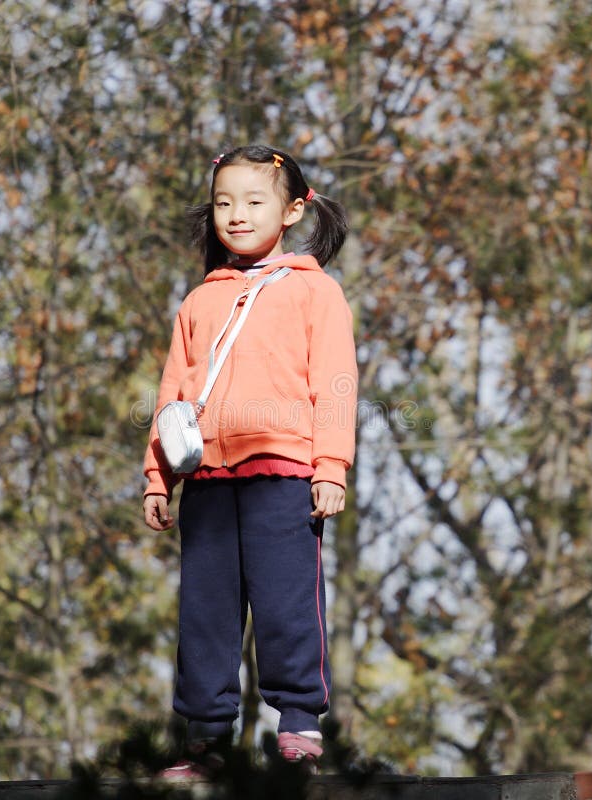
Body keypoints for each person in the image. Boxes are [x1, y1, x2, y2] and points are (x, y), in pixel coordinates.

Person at [142, 145, 357, 777]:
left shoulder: (315, 293)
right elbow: (171, 395)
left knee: (288, 607)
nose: (236, 214)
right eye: (223, 202)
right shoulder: (199, 302)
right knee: (204, 616)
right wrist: (158, 476)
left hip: (285, 478)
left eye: (254, 201)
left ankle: (298, 732)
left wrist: (331, 467)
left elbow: (335, 384)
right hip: (207, 481)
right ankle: (206, 742)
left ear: (293, 210)